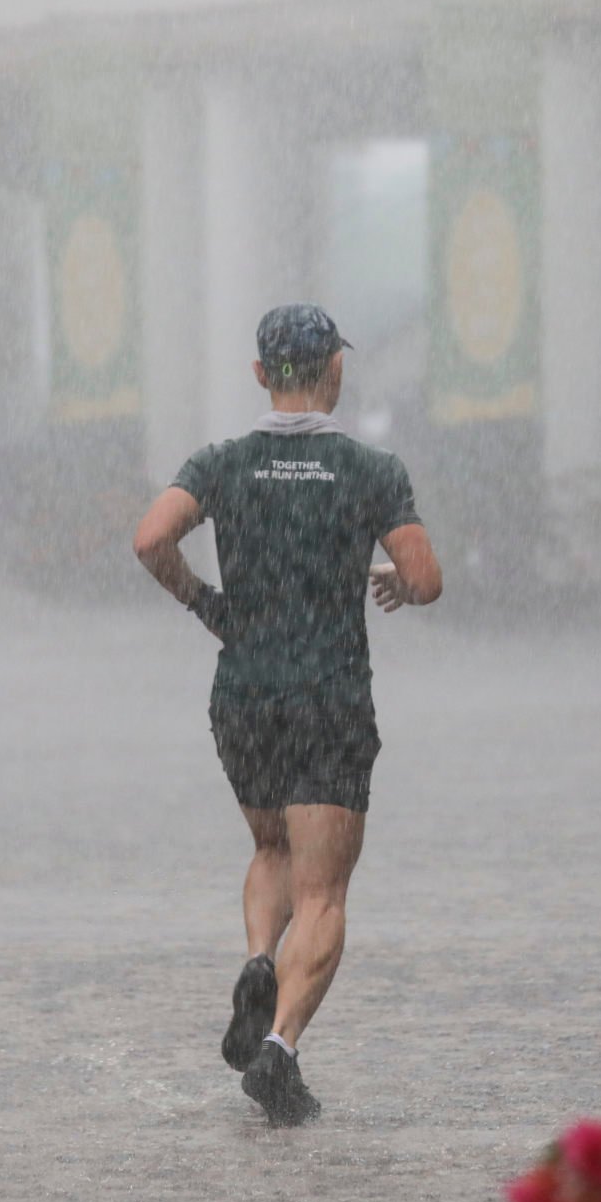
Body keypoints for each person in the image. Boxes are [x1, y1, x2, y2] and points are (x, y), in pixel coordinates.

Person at [132, 302, 442, 1126]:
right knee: (324, 891)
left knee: (270, 844)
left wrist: (206, 602)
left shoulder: (222, 462)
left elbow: (150, 538)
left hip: (244, 693)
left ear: (260, 374)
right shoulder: (370, 470)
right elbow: (426, 577)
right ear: (335, 369)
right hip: (326, 695)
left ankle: (256, 958)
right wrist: (397, 580)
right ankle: (279, 1050)